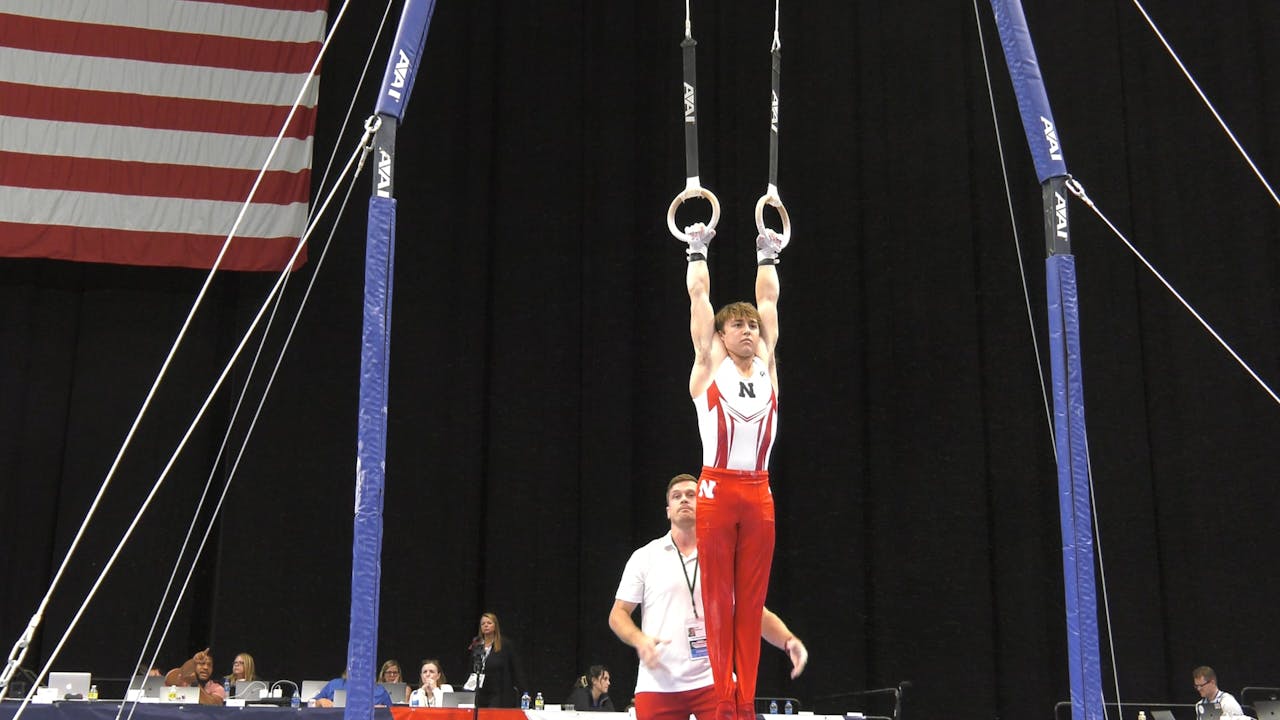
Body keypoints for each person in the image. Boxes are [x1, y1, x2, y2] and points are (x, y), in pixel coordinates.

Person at [683, 223, 787, 720]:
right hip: (716, 489)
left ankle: (744, 703)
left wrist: (768, 256)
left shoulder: (767, 362)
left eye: (750, 325)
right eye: (738, 326)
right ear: (722, 337)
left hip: (759, 493)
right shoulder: (708, 364)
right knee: (718, 602)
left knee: (750, 602)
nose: (749, 330)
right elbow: (700, 298)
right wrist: (696, 250)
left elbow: (769, 307)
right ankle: (722, 702)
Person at [610, 474, 808, 720]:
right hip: (658, 684)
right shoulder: (645, 557)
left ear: (704, 505)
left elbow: (753, 613)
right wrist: (639, 639)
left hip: (714, 682)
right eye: (677, 496)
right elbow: (618, 615)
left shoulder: (723, 556)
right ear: (668, 511)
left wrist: (788, 641)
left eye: (691, 495)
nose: (684, 500)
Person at [464, 612, 526, 708]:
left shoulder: (505, 644)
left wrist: (524, 691)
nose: (486, 626)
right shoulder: (477, 644)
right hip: (480, 691)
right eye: (483, 624)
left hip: (498, 691)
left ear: (495, 626)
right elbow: (470, 668)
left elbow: (516, 669)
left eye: (489, 623)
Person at [313, 670, 393, 708]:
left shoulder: (380, 691)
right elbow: (310, 703)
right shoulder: (334, 684)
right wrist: (319, 702)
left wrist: (383, 710)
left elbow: (393, 713)